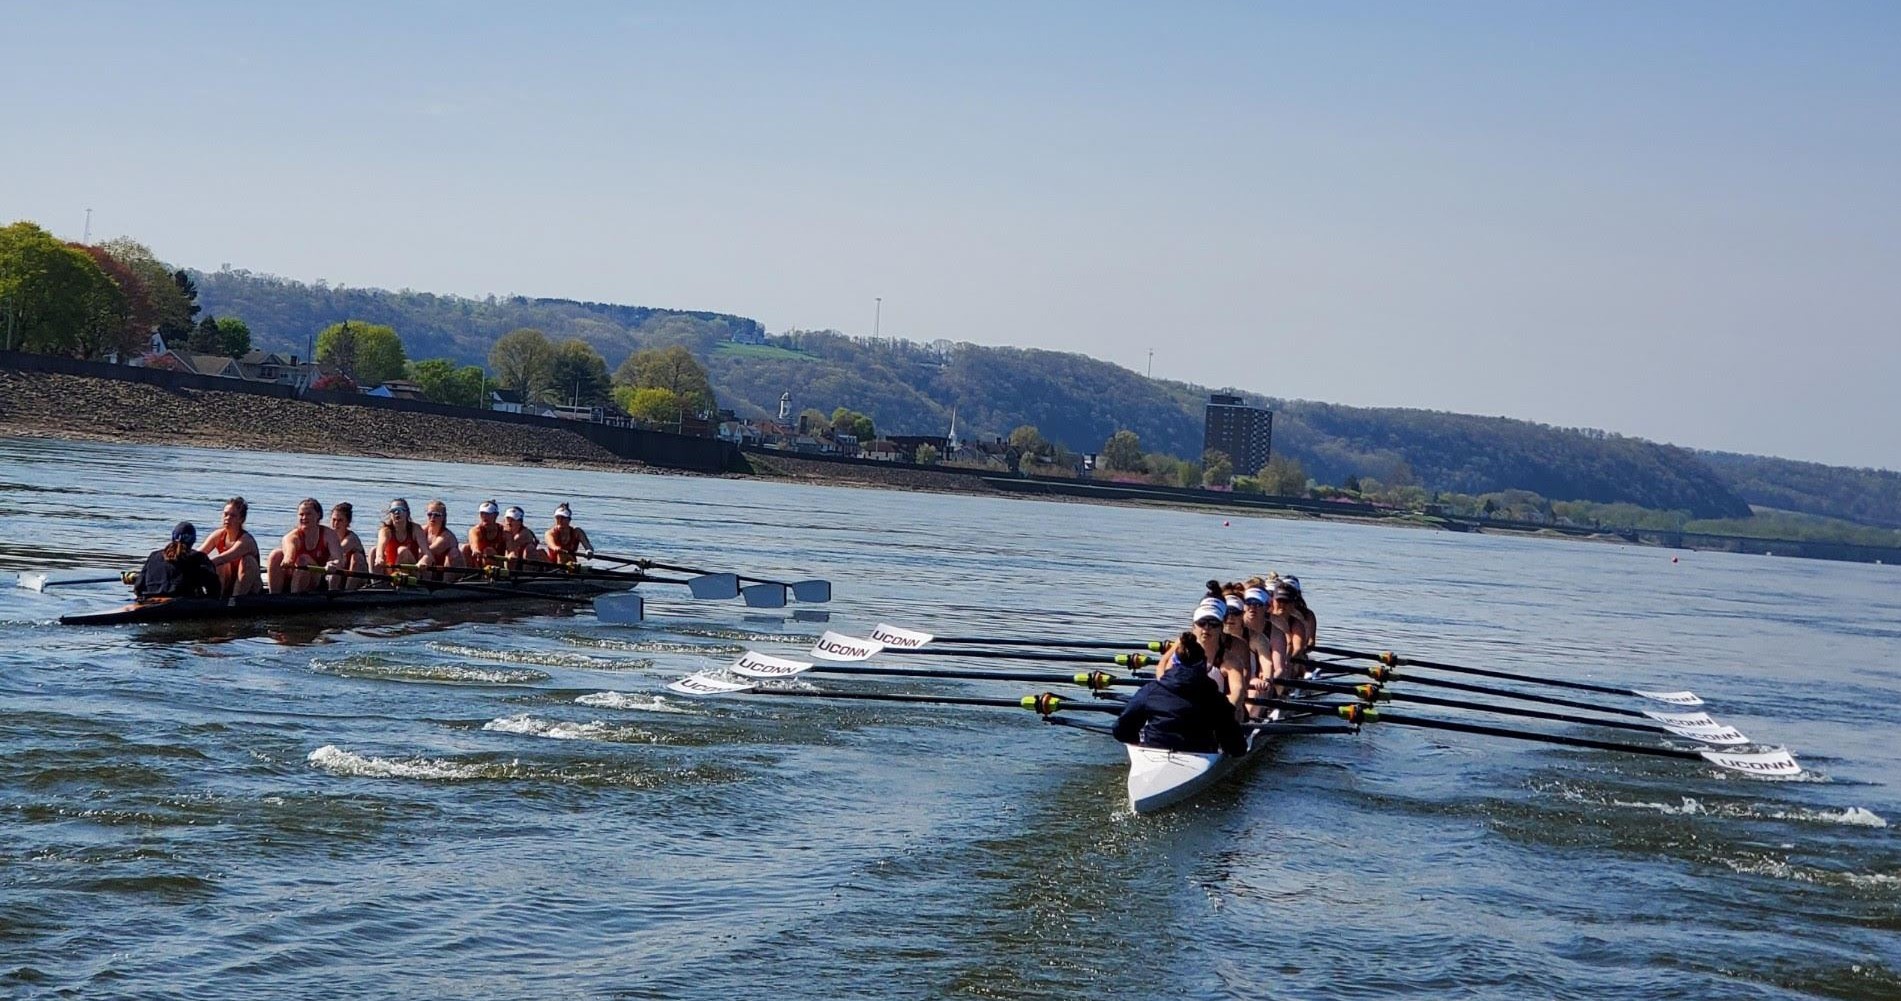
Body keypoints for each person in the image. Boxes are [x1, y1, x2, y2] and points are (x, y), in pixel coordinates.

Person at [1112, 629, 1247, 757]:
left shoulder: (1151, 690)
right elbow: (1237, 748)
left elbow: (1120, 730)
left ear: (1174, 663)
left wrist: (1135, 741)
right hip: (1201, 755)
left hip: (1153, 750)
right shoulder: (1215, 699)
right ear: (1203, 664)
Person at [1154, 587, 1249, 719]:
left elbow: (1237, 692)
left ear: (1221, 627)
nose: (1206, 628)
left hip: (1217, 718)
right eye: (1202, 623)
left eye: (1213, 623)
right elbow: (1164, 676)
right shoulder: (1181, 651)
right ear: (1194, 626)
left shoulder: (1230, 660)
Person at [267, 497, 344, 594]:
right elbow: (289, 553)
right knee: (275, 555)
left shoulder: (329, 535)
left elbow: (338, 558)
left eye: (308, 514)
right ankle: (274, 595)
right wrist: (288, 560)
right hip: (293, 575)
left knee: (303, 559)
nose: (304, 518)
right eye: (301, 514)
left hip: (317, 579)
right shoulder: (291, 536)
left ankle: (294, 598)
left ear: (318, 515)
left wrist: (333, 564)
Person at [135, 521, 221, 600]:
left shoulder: (154, 555)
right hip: (180, 602)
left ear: (172, 537)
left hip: (149, 599)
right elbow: (214, 588)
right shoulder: (199, 557)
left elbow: (138, 587)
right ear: (193, 540)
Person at [199, 496, 262, 596]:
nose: (227, 518)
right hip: (229, 583)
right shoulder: (218, 535)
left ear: (241, 519)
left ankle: (235, 601)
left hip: (250, 589)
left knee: (247, 561)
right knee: (220, 565)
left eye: (232, 516)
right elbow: (198, 554)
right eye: (225, 514)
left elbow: (223, 558)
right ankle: (218, 598)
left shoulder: (246, 540)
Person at [374, 499, 427, 576]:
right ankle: (376, 583)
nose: (396, 512)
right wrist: (379, 558)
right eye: (393, 510)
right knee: (373, 551)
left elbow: (427, 554)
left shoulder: (416, 529)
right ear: (390, 514)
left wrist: (423, 561)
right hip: (391, 571)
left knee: (403, 550)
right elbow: (380, 550)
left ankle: (402, 582)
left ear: (407, 513)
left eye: (400, 509)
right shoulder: (385, 531)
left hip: (411, 570)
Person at [416, 498, 466, 578]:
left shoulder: (446, 536)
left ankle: (446, 585)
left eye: (436, 515)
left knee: (452, 552)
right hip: (433, 569)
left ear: (443, 517)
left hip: (447, 571)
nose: (432, 517)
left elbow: (429, 551)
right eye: (429, 514)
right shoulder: (421, 530)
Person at [330, 502, 369, 591]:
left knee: (356, 557)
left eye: (340, 520)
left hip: (359, 578)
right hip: (340, 576)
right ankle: (331, 591)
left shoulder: (351, 538)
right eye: (333, 520)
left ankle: (348, 592)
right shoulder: (328, 536)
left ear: (347, 522)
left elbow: (338, 552)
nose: (335, 523)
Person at [463, 500, 507, 569]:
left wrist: (512, 554)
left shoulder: (504, 531)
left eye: (488, 514)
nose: (484, 516)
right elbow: (474, 543)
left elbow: (512, 549)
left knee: (488, 551)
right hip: (480, 561)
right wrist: (475, 550)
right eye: (482, 513)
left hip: (499, 564)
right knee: (465, 548)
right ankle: (470, 573)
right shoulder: (475, 530)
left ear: (496, 515)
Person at [499, 505, 542, 572]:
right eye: (508, 519)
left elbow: (511, 549)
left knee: (513, 555)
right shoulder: (501, 529)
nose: (509, 522)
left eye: (512, 520)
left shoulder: (524, 534)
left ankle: (525, 574)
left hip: (523, 562)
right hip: (514, 560)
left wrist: (508, 537)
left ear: (520, 522)